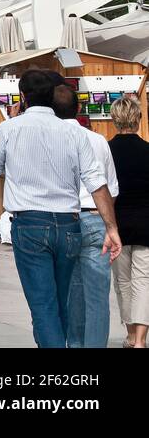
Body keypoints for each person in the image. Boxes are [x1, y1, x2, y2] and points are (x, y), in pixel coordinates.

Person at [0, 69, 122, 348]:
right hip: (68, 224)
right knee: (63, 300)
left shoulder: (10, 129)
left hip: (30, 223)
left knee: (43, 304)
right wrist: (111, 227)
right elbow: (97, 183)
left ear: (23, 97)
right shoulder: (74, 132)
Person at [51, 82, 119, 348]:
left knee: (70, 293)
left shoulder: (50, 139)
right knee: (98, 296)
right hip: (95, 217)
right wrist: (110, 225)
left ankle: (75, 345)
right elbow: (111, 187)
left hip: (62, 220)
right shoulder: (98, 140)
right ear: (78, 108)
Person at [108, 94, 149, 348]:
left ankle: (131, 334)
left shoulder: (105, 151)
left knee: (122, 282)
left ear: (114, 120)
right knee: (144, 280)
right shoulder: (148, 151)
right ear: (138, 119)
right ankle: (141, 340)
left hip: (116, 226)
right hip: (147, 225)